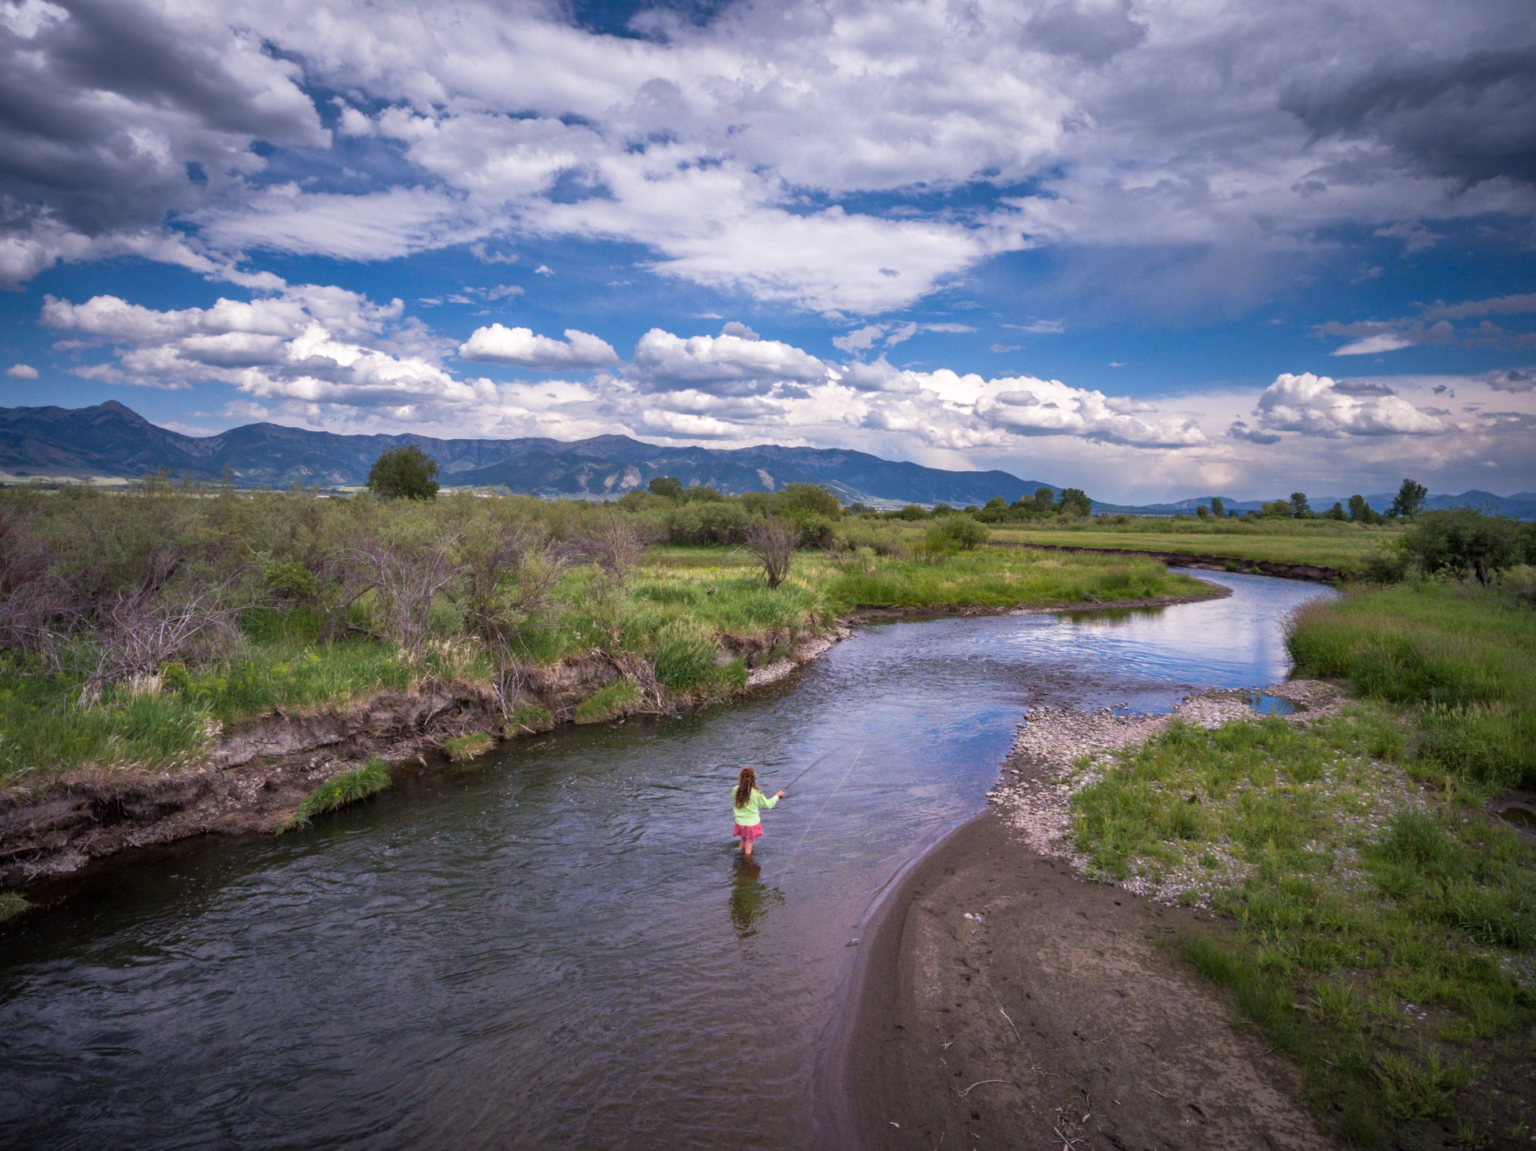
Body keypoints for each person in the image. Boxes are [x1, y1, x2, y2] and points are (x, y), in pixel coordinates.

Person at [731, 766, 784, 858]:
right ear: (753, 778)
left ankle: (738, 853)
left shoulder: (736, 789)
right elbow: (768, 805)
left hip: (740, 823)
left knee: (743, 838)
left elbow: (733, 797)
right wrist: (777, 796)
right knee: (749, 845)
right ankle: (746, 863)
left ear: (741, 777)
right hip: (751, 825)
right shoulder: (756, 792)